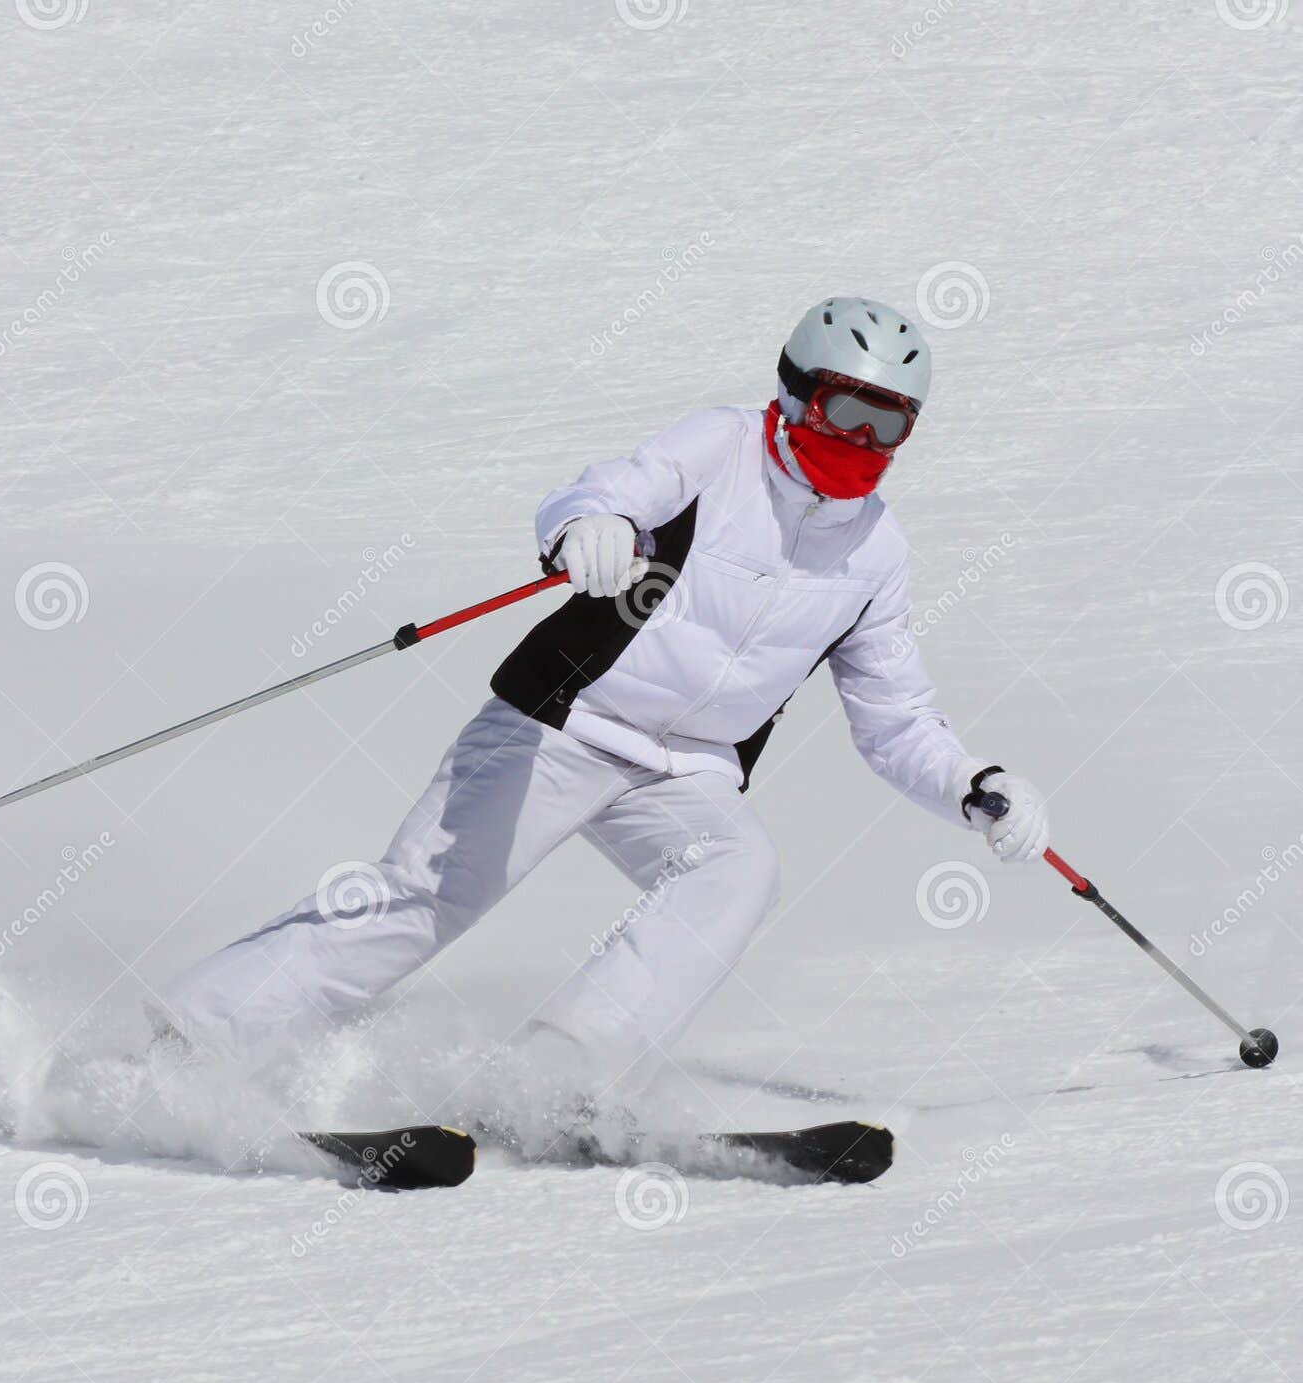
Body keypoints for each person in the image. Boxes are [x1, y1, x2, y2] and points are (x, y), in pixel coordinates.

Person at [152, 296, 1049, 1098]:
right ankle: (193, 1044)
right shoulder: (723, 447)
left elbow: (894, 718)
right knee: (430, 897)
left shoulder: (875, 553)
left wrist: (971, 783)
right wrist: (591, 527)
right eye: (846, 411)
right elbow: (607, 488)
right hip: (565, 723)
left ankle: (560, 1075)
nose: (861, 444)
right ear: (794, 394)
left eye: (887, 427)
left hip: (688, 772)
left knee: (737, 871)